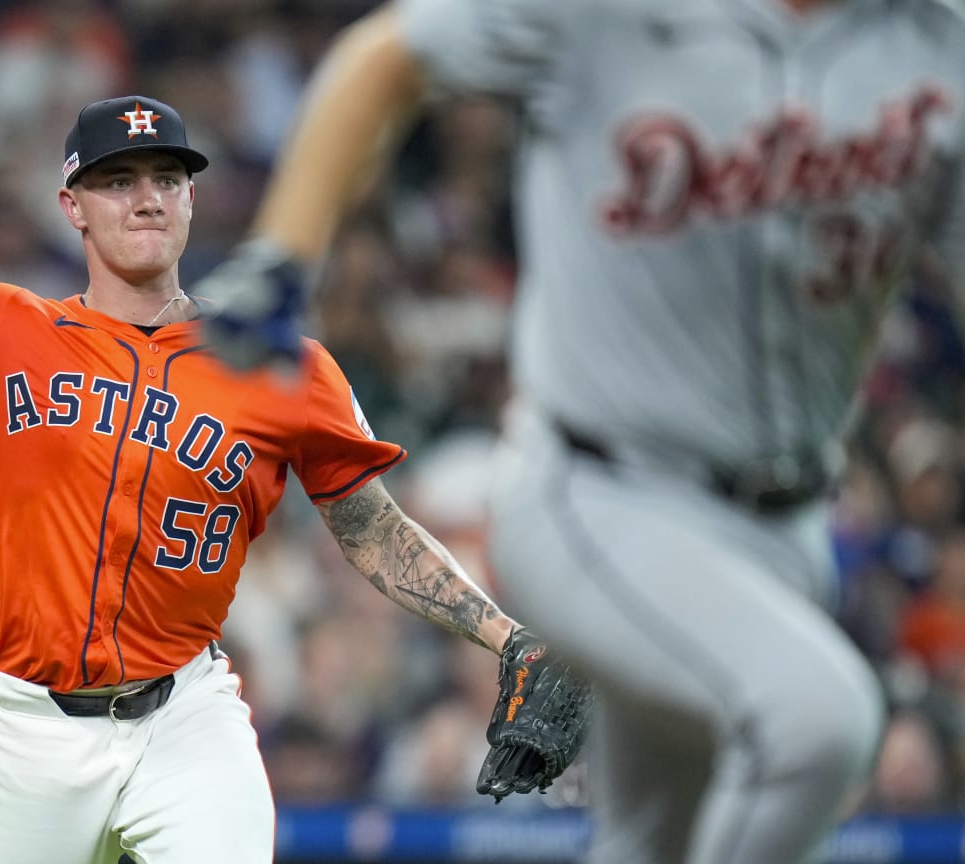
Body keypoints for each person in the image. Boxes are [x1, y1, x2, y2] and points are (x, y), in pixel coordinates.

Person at [191, 3, 965, 862]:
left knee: (652, 839)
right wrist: (285, 253)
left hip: (785, 527)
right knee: (820, 724)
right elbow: (388, 55)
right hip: (595, 495)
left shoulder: (938, 39)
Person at [0, 86, 575, 864]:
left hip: (182, 715)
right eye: (117, 180)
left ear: (191, 201)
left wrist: (508, 638)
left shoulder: (280, 367)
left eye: (166, 178)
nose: (146, 198)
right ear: (72, 207)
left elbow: (373, 530)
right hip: (20, 725)